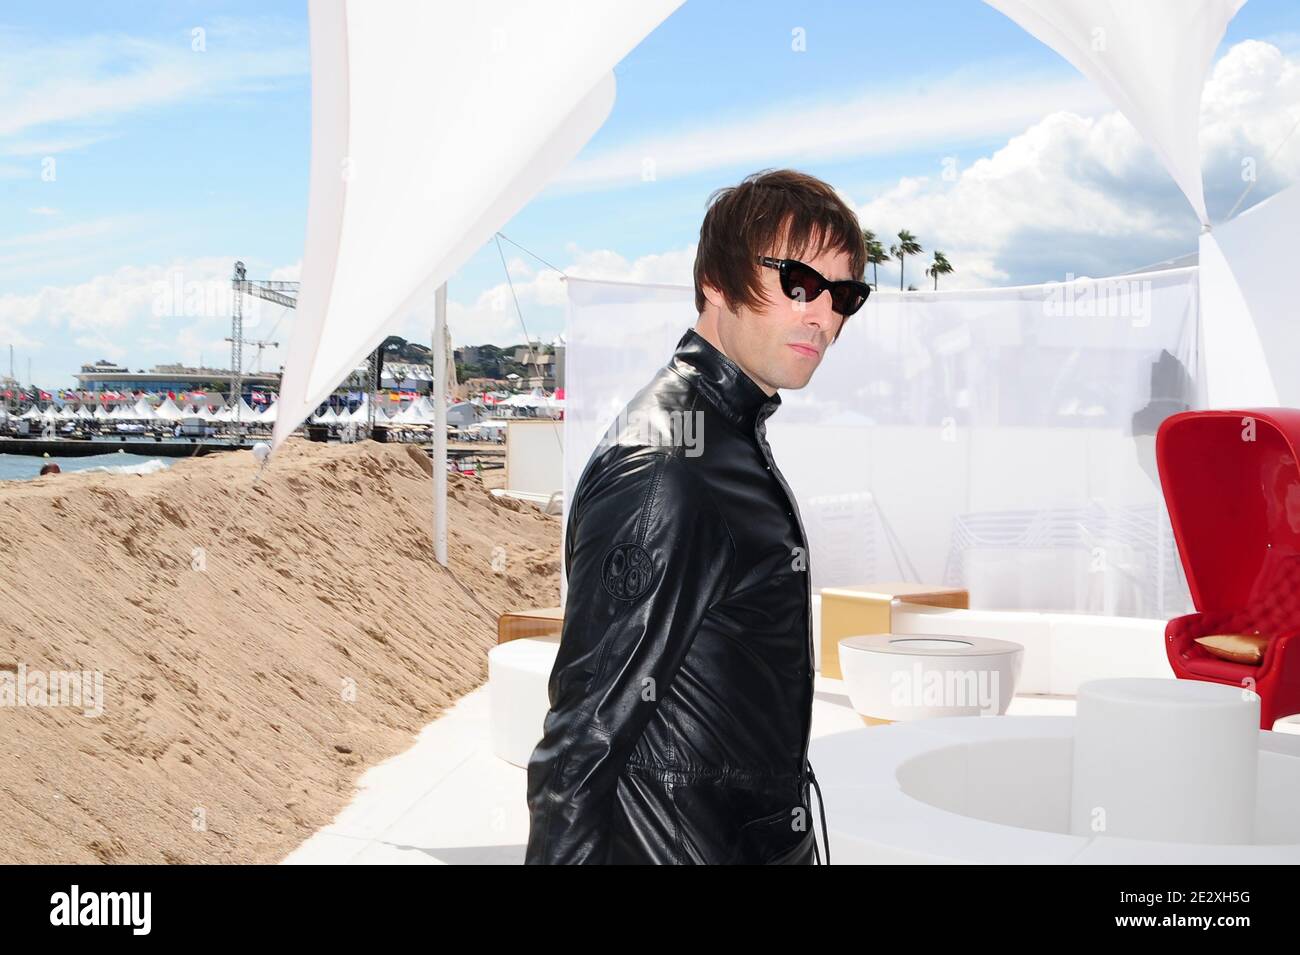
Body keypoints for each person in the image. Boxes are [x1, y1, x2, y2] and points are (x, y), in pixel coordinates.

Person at [525, 168, 870, 864]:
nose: (822, 314)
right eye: (799, 282)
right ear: (715, 279)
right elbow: (582, 737)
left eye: (844, 295)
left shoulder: (721, 434)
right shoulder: (670, 464)